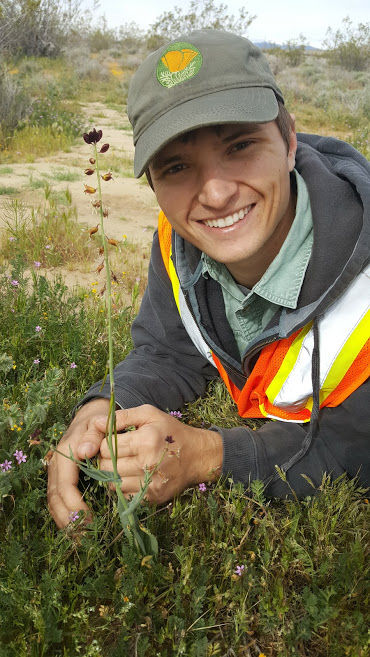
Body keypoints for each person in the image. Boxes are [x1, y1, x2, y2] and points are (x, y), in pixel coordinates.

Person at [48, 30, 370, 528]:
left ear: (288, 143)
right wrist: (99, 412)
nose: (216, 194)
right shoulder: (179, 239)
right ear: (153, 186)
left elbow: (358, 440)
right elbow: (168, 351)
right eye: (176, 167)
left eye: (240, 145)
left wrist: (209, 456)